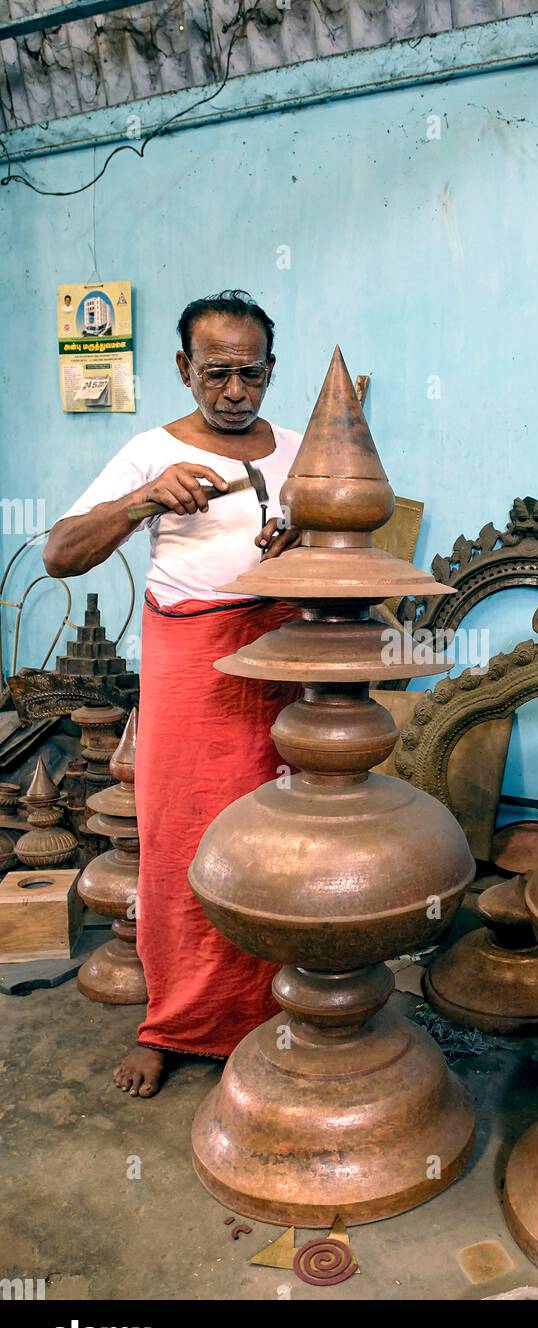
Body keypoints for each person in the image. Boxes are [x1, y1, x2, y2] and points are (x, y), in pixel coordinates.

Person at [45, 289, 302, 1097]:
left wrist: (306, 538)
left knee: (284, 844)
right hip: (193, 660)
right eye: (216, 373)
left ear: (271, 370)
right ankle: (174, 1025)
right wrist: (144, 499)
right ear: (185, 369)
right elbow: (59, 554)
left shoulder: (300, 447)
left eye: (251, 374)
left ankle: (278, 1015)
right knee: (182, 837)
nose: (234, 391)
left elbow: (363, 536)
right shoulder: (148, 450)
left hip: (286, 655)